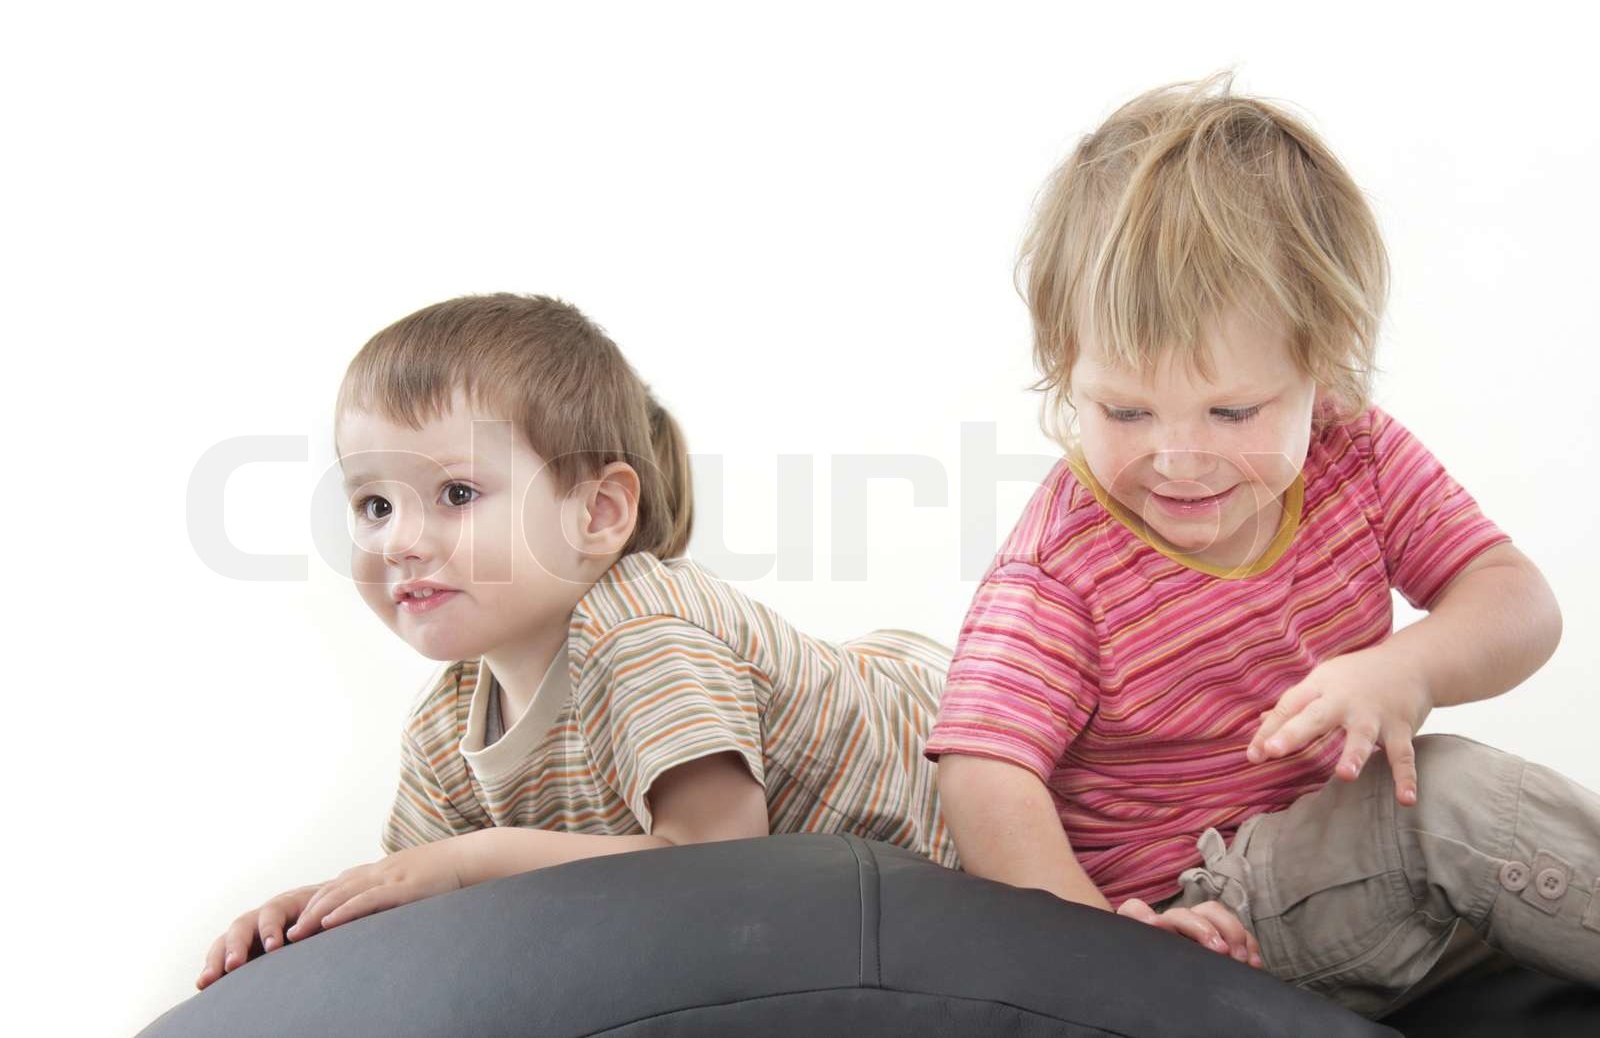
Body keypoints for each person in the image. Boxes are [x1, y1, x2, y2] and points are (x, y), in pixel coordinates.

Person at [924, 74, 1600, 1018]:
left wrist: (1409, 667)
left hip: (1343, 874)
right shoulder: (1061, 568)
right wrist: (1109, 948)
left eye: (1232, 409)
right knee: (1457, 804)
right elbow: (983, 771)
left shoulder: (1352, 452)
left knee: (1510, 842)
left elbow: (1518, 598)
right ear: (1064, 369)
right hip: (1204, 908)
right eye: (1124, 410)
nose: (1179, 456)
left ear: (1320, 374)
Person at [197, 294, 956, 990]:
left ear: (595, 514)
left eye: (455, 494)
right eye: (372, 503)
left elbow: (723, 864)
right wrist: (309, 919)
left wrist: (473, 861)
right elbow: (414, 900)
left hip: (936, 749)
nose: (398, 540)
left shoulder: (643, 628)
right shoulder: (443, 729)